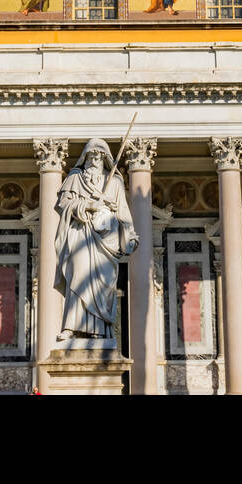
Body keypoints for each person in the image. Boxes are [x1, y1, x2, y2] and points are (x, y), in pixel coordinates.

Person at [54, 138, 138, 339]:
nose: (94, 160)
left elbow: (124, 214)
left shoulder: (115, 182)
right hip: (80, 235)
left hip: (106, 242)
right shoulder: (75, 178)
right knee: (78, 275)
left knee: (103, 285)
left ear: (105, 159)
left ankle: (99, 330)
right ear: (84, 158)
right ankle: (71, 327)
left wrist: (130, 234)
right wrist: (87, 206)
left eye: (98, 157)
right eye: (91, 156)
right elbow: (63, 204)